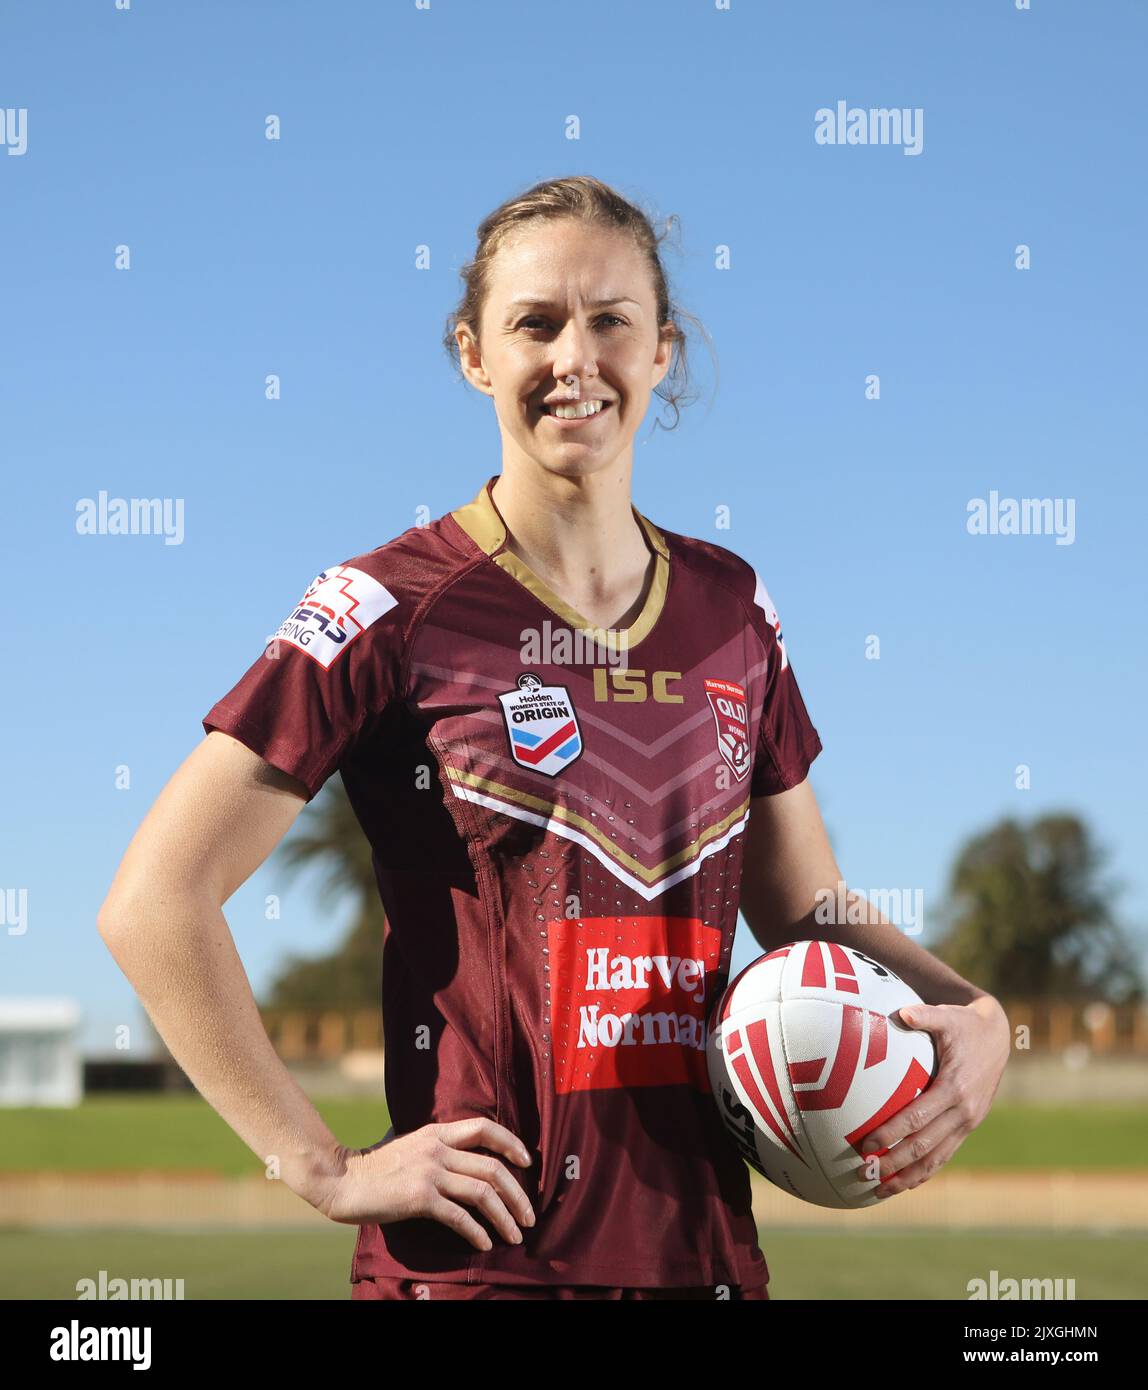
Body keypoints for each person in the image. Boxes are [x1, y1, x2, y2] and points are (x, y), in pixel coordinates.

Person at [98, 175, 1010, 1302]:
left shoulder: (735, 612)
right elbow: (153, 901)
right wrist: (320, 1165)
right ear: (473, 353)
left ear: (661, 349)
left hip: (704, 1261)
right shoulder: (388, 605)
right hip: (480, 1272)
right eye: (534, 323)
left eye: (610, 321)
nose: (573, 358)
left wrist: (975, 1014)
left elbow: (804, 905)